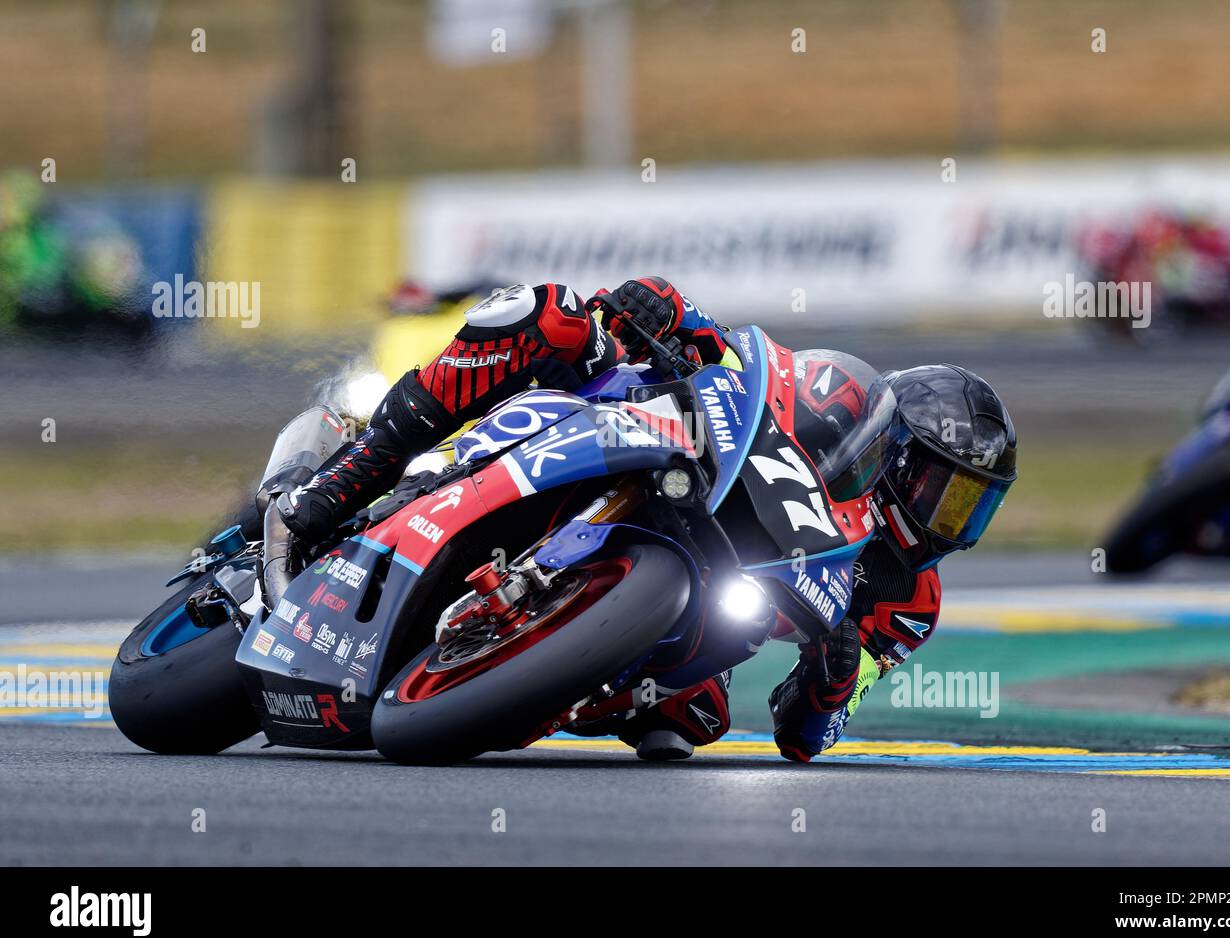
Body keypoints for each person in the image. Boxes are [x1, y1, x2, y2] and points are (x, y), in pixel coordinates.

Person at [280, 277, 1017, 761]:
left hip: (709, 600)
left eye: (970, 504)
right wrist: (661, 308)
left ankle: (529, 673)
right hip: (653, 440)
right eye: (943, 490)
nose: (947, 518)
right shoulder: (837, 401)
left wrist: (834, 675)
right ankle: (344, 480)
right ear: (896, 453)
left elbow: (809, 734)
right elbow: (739, 355)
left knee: (693, 723)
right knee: (548, 317)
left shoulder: (906, 600)